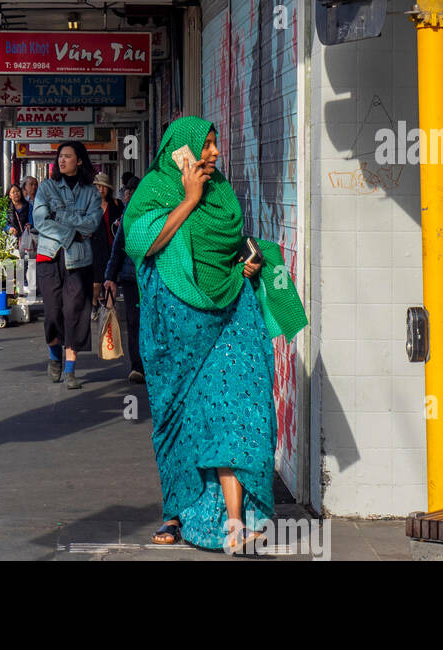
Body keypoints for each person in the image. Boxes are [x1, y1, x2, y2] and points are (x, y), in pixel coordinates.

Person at [123, 117, 306, 553]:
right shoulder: (155, 189)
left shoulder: (221, 191)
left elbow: (227, 245)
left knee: (243, 411)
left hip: (232, 314)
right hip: (177, 333)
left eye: (215, 144)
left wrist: (245, 266)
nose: (214, 153)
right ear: (181, 149)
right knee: (180, 420)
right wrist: (189, 198)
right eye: (205, 145)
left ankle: (243, 518)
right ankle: (177, 510)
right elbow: (145, 245)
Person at [33, 141, 100, 390]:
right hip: (49, 257)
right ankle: (54, 356)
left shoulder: (91, 192)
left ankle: (70, 369)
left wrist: (58, 216)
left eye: (68, 157)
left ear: (79, 161)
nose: (61, 161)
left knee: (75, 313)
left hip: (79, 259)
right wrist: (72, 232)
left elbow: (92, 224)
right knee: (52, 313)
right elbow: (40, 220)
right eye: (60, 156)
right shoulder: (47, 187)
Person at [104, 175, 143, 383]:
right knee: (135, 321)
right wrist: (110, 276)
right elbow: (119, 243)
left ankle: (145, 364)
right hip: (131, 276)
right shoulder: (131, 210)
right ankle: (138, 366)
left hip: (151, 275)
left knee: (141, 321)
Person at [90, 173, 122, 318]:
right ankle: (94, 304)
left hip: (112, 247)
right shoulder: (90, 206)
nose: (101, 190)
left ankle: (109, 311)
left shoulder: (116, 204)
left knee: (111, 281)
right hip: (95, 247)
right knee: (96, 282)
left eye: (104, 187)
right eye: (98, 187)